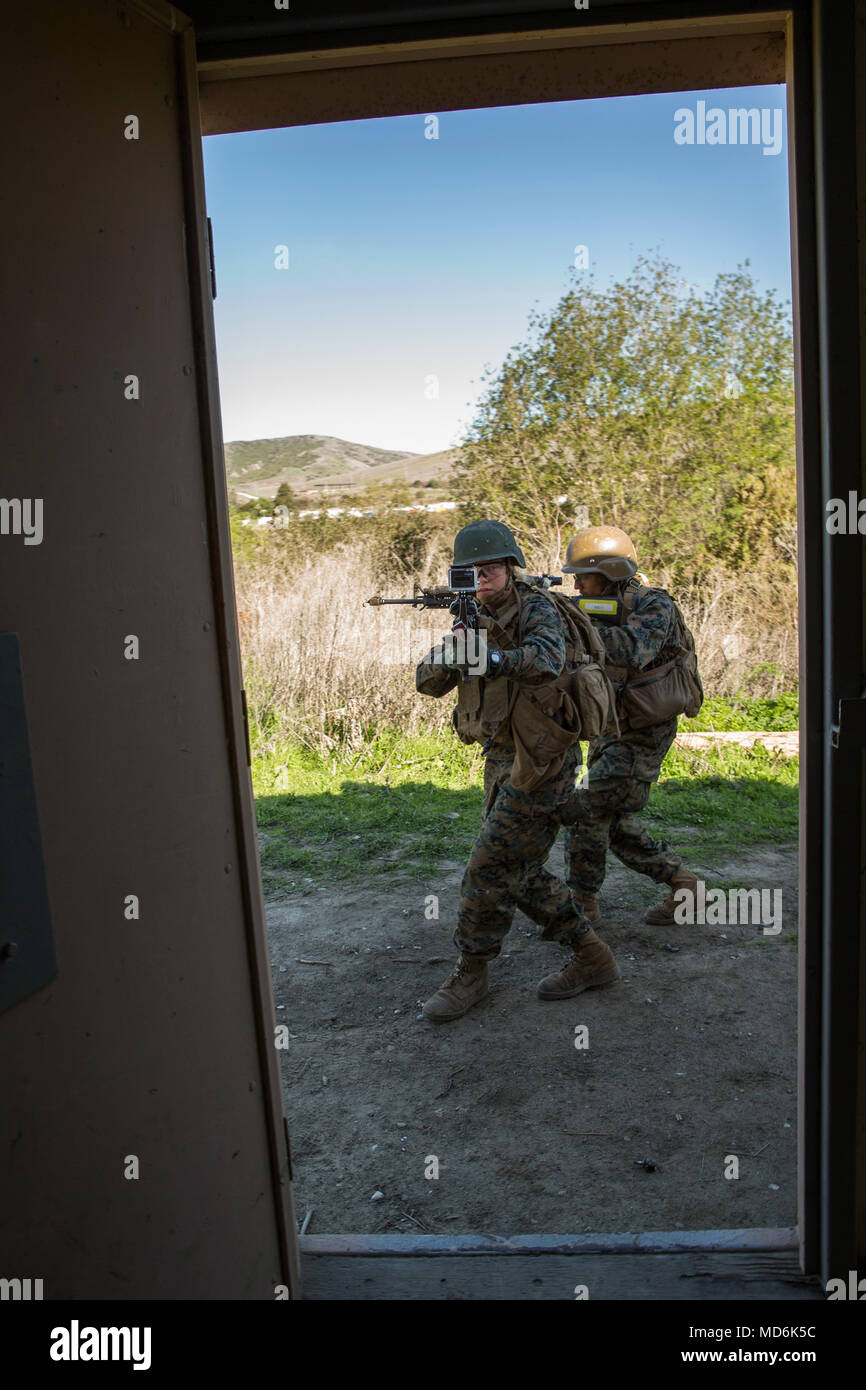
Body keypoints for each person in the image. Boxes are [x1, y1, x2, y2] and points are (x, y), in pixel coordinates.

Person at [415, 519, 619, 1023]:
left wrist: (490, 658)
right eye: (470, 573)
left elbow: (546, 661)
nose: (480, 580)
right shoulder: (472, 615)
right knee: (518, 869)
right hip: (503, 754)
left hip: (545, 757)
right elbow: (427, 681)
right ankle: (593, 957)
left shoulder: (539, 608)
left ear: (510, 568)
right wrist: (454, 656)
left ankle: (473, 969)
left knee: (487, 866)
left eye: (488, 570)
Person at [554, 525, 701, 925]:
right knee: (611, 820)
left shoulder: (656, 607)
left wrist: (575, 633)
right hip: (612, 725)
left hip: (645, 730)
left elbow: (633, 650)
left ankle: (582, 906)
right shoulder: (593, 605)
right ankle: (686, 887)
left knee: (584, 807)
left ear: (611, 572)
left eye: (582, 576)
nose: (578, 584)